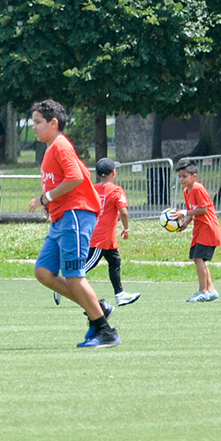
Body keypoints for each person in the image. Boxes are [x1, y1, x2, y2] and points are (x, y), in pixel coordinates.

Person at [26, 100, 118, 348]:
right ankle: (97, 308)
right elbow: (82, 174)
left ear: (53, 123)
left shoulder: (60, 145)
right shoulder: (53, 148)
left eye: (37, 122)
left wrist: (47, 198)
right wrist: (51, 205)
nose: (33, 127)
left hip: (75, 216)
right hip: (60, 218)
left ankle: (105, 332)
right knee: (43, 272)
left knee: (74, 275)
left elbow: (76, 178)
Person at [86, 158, 139, 306]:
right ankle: (65, 281)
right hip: (100, 237)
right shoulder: (116, 190)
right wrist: (126, 228)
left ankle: (120, 294)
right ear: (113, 173)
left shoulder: (93, 189)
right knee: (87, 265)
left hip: (104, 236)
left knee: (115, 261)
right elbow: (124, 212)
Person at [172, 159, 221, 302]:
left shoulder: (198, 188)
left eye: (184, 176)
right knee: (198, 258)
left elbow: (203, 209)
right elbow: (193, 211)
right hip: (199, 229)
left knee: (198, 258)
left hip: (208, 228)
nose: (181, 179)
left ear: (194, 176)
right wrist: (186, 222)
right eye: (180, 176)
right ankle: (211, 290)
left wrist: (185, 213)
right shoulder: (186, 190)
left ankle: (203, 291)